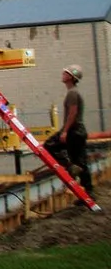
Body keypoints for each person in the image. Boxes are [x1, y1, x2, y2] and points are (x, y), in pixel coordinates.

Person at [43, 65, 93, 196]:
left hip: (74, 130)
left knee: (49, 146)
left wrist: (65, 131)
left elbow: (72, 113)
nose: (62, 74)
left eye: (65, 73)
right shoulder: (73, 92)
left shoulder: (72, 93)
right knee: (81, 162)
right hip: (77, 131)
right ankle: (88, 193)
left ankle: (70, 167)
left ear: (71, 77)